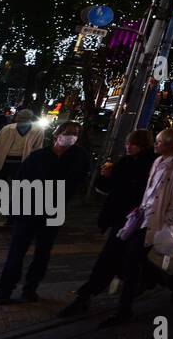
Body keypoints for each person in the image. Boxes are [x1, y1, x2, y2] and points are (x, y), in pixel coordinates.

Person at [58, 130, 156, 319]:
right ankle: (155, 281)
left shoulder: (153, 164)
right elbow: (107, 188)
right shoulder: (126, 162)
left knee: (114, 259)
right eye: (128, 143)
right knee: (124, 259)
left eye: (133, 144)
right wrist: (105, 176)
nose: (128, 147)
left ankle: (90, 298)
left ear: (144, 145)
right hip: (121, 218)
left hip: (139, 219)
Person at [99, 126, 173, 328]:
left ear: (170, 144)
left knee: (131, 260)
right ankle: (168, 281)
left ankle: (124, 309)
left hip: (157, 222)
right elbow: (149, 190)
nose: (155, 145)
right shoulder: (158, 161)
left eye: (159, 141)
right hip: (143, 216)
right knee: (131, 258)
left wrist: (167, 223)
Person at [0, 121, 88, 304]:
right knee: (16, 252)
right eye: (68, 132)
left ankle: (30, 288)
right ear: (57, 134)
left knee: (42, 253)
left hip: (53, 212)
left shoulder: (79, 157)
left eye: (75, 133)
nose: (71, 136)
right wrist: (14, 212)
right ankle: (5, 291)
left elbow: (78, 182)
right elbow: (20, 183)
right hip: (28, 210)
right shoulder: (38, 157)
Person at [0, 109, 44, 227]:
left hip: (23, 163)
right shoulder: (8, 129)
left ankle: (11, 219)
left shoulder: (37, 130)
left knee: (19, 192)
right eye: (20, 119)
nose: (21, 121)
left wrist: (36, 165)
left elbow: (37, 148)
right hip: (3, 162)